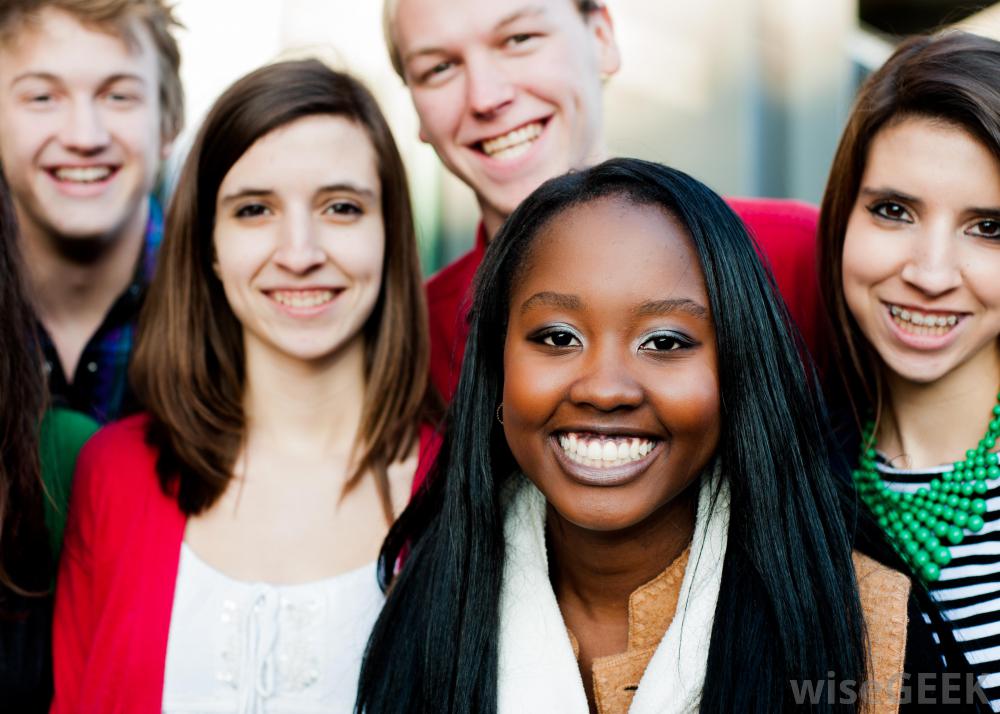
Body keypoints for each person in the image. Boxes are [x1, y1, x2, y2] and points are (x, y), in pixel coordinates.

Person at [358, 158, 987, 714]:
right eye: (556, 337)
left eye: (665, 342)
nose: (604, 389)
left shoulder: (865, 633)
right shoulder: (428, 607)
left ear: (738, 371)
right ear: (496, 370)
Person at [51, 59, 438, 713]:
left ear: (389, 233)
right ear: (208, 245)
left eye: (341, 207)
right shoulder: (113, 474)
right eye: (254, 209)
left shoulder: (462, 489)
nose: (299, 251)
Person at [382, 0, 826, 398]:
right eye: (438, 68)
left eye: (520, 39)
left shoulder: (796, 256)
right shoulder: (413, 341)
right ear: (416, 109)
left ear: (602, 39)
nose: (486, 97)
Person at [819, 31, 1000, 710]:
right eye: (893, 211)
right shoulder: (791, 488)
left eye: (989, 228)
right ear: (842, 217)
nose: (928, 274)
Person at [0, 0, 183, 423]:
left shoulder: (231, 301)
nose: (85, 137)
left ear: (168, 123)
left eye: (119, 96)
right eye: (43, 97)